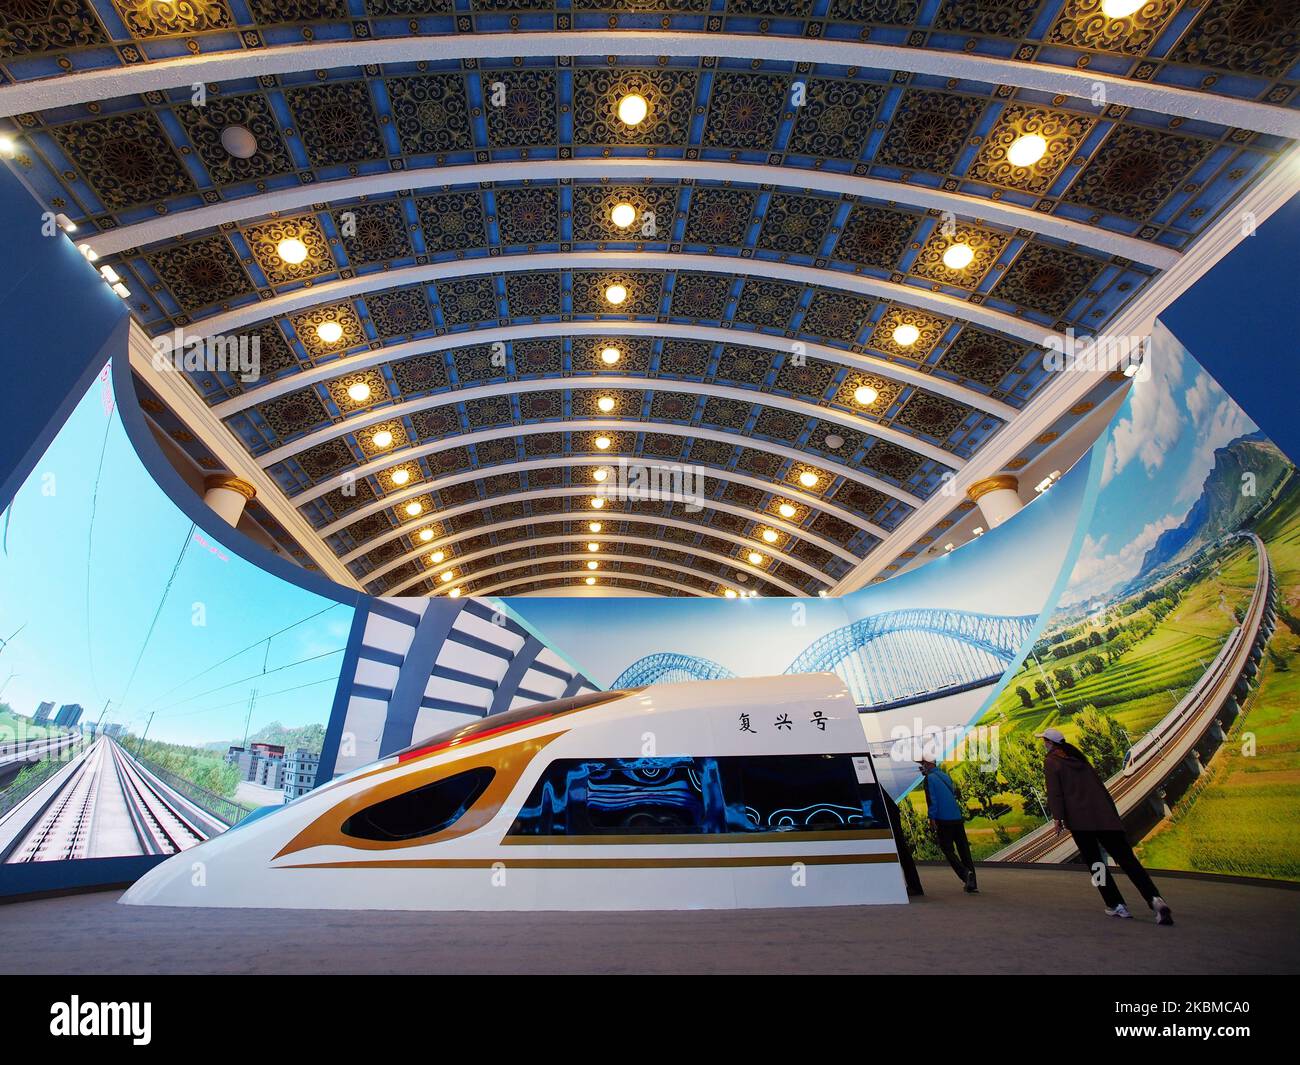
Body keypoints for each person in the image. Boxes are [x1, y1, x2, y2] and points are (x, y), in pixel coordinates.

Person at [1038, 727, 1173, 925]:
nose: (1044, 745)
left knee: (1097, 865)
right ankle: (1155, 899)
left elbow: (1055, 793)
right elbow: (1100, 789)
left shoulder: (1052, 762)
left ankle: (1116, 904)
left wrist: (1057, 819)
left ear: (1050, 743)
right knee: (1128, 862)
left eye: (1044, 741)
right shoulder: (1080, 759)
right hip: (1105, 818)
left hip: (1081, 822)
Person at [917, 757, 978, 893]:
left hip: (943, 820)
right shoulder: (945, 776)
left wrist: (932, 819)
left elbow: (932, 800)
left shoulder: (929, 779)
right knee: (964, 850)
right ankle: (973, 883)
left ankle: (964, 874)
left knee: (947, 849)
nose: (922, 767)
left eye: (923, 764)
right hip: (956, 817)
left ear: (928, 764)